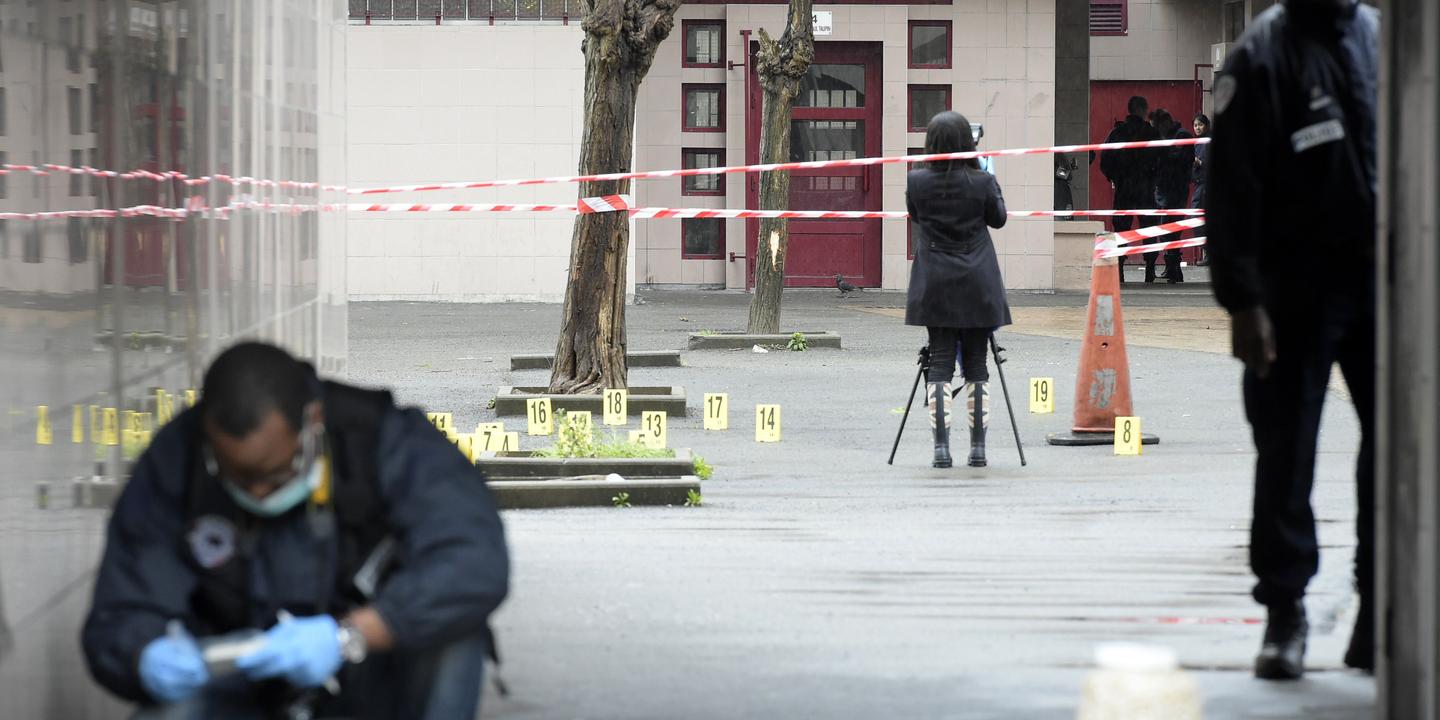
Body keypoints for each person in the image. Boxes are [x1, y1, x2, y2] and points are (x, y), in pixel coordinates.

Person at [81, 342, 510, 718]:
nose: (260, 493)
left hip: (371, 669)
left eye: (274, 475)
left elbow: (474, 561)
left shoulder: (384, 438)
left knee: (454, 638)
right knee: (168, 709)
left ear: (313, 421)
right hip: (241, 681)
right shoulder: (177, 457)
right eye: (239, 479)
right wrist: (142, 653)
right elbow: (121, 607)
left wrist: (352, 635)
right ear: (209, 441)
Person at [1205, 0, 1378, 681]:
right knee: (1287, 451)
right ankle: (1285, 610)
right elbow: (1230, 188)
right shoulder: (1259, 56)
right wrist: (1243, 302)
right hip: (1292, 289)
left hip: (1380, 284)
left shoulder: (1376, 38)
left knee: (1400, 446)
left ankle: (1381, 602)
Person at [905, 111, 1011, 469]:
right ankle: (978, 449)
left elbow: (917, 218)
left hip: (936, 279)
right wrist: (987, 176)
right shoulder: (981, 181)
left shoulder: (916, 181)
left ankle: (940, 449)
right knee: (977, 365)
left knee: (939, 363)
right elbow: (998, 218)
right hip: (977, 277)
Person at [1099, 96, 1161, 283]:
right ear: (1143, 110)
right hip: (1145, 188)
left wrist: (1115, 178)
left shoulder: (1117, 133)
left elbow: (1105, 161)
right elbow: (1161, 159)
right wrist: (1153, 179)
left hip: (1124, 187)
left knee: (1121, 229)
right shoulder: (1151, 133)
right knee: (1148, 228)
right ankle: (1150, 269)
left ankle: (1119, 271)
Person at [1150, 108, 1194, 283]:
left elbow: (1179, 160)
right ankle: (1171, 267)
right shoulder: (1167, 138)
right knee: (1165, 229)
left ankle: (1174, 268)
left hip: (1175, 189)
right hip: (1163, 188)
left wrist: (1161, 151)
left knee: (1171, 229)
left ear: (1165, 122)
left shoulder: (1182, 136)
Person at [1191, 114, 1211, 266]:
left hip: (1206, 185)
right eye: (1195, 125)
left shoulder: (1208, 142)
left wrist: (1200, 163)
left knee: (1199, 217)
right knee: (1198, 219)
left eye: (1200, 125)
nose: (1197, 128)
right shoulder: (1196, 143)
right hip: (1199, 184)